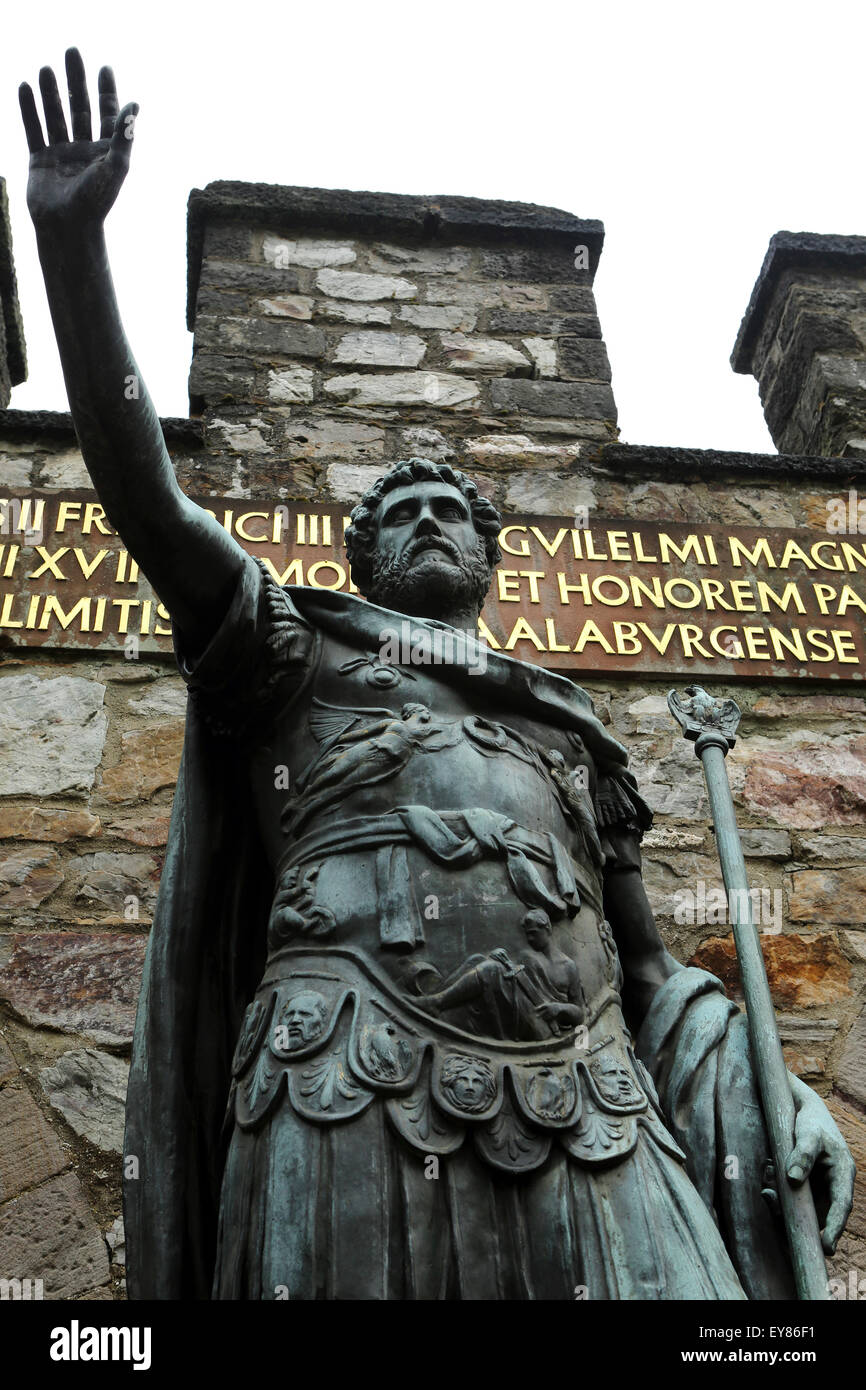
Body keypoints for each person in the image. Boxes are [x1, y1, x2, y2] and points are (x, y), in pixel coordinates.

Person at [19, 50, 854, 1301]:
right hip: (342, 1074)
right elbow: (146, 493)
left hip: (595, 1106)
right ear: (360, 556)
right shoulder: (290, 652)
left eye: (444, 507)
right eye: (394, 507)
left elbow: (648, 969)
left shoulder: (569, 730)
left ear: (481, 552)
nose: (420, 519)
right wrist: (74, 255)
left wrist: (766, 1086)